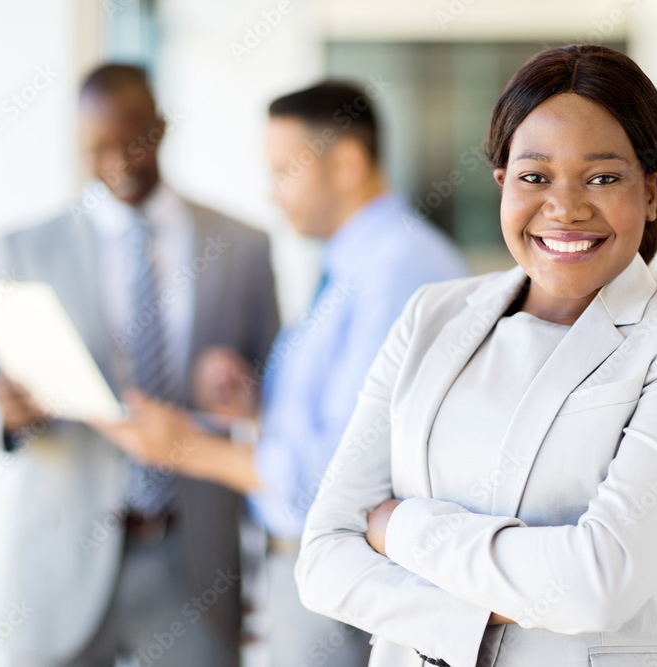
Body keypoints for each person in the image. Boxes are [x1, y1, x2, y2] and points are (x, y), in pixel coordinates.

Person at [293, 44, 657, 667]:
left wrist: (398, 529)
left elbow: (598, 584)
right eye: (536, 176)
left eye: (602, 177)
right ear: (503, 183)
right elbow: (322, 558)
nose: (565, 208)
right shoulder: (432, 315)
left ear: (650, 190)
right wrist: (488, 609)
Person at [92, 81, 469, 667]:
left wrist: (186, 448)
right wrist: (254, 405)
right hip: (316, 579)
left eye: (283, 172)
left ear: (345, 164)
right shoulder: (358, 263)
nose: (271, 195)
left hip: (346, 585)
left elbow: (334, 474)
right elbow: (349, 423)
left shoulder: (397, 272)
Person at [0, 63, 280, 667]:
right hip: (60, 570)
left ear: (159, 129)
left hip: (195, 562)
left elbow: (277, 388)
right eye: (96, 149)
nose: (117, 162)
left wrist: (244, 388)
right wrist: (1, 414)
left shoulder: (242, 247)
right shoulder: (25, 247)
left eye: (131, 142)